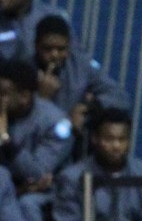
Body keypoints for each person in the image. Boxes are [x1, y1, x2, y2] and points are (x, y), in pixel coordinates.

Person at [0, 58, 72, 221]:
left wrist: (3, 138)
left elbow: (37, 173)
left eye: (3, 94)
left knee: (28, 204)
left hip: (47, 192)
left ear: (25, 96)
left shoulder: (56, 123)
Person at [33, 14, 130, 143]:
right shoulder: (21, 68)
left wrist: (89, 107)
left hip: (75, 145)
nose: (54, 55)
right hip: (37, 143)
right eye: (48, 49)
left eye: (61, 49)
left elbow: (120, 97)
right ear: (36, 46)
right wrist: (41, 98)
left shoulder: (80, 65)